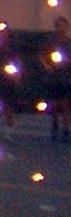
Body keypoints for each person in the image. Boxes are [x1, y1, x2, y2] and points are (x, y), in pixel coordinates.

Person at [40, 16, 71, 144]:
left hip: (65, 76)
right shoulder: (51, 42)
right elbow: (42, 55)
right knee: (54, 103)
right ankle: (55, 125)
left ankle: (66, 129)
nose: (61, 28)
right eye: (59, 26)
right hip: (53, 77)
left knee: (65, 104)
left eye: (63, 26)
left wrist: (65, 62)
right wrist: (48, 66)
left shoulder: (68, 42)